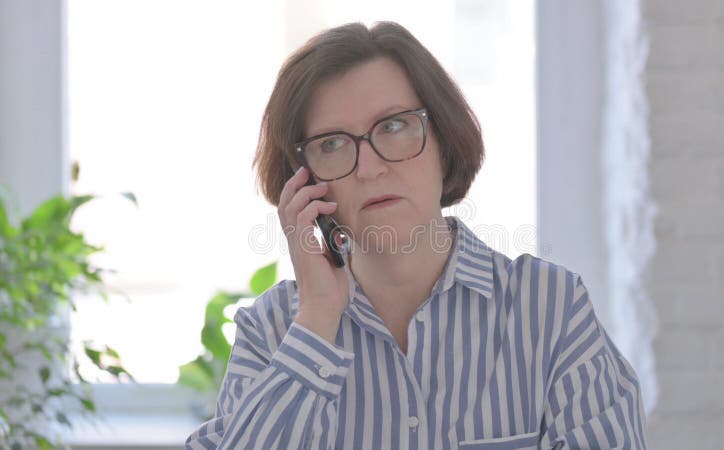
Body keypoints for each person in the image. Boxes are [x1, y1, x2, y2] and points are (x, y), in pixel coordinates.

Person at [185, 21, 647, 450]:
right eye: (331, 144)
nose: (370, 168)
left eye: (395, 127)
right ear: (303, 183)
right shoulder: (273, 332)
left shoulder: (552, 311)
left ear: (444, 144)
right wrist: (319, 317)